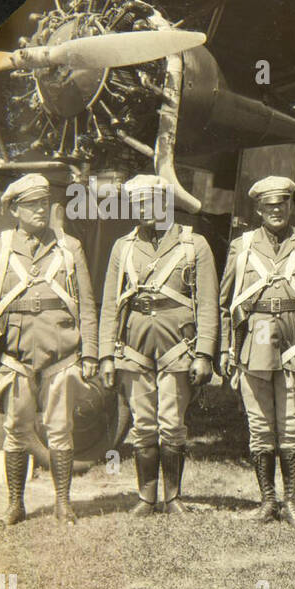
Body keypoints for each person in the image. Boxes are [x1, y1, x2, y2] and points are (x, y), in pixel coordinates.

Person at [0, 172, 97, 525]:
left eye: (44, 203)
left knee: (61, 429)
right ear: (15, 209)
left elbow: (86, 304)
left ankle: (62, 503)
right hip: (15, 357)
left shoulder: (69, 248)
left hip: (62, 356)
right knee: (16, 429)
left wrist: (91, 353)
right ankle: (15, 504)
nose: (40, 210)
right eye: (31, 204)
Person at [99, 174, 219, 515]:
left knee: (171, 423)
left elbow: (208, 303)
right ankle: (146, 498)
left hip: (178, 345)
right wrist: (106, 354)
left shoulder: (194, 245)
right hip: (134, 345)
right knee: (144, 424)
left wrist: (205, 353)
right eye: (136, 205)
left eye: (149, 202)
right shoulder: (122, 248)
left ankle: (173, 498)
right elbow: (111, 303)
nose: (143, 210)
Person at [219, 176, 295, 526]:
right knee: (259, 425)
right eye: (269, 207)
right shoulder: (243, 247)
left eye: (282, 205)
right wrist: (226, 348)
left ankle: (291, 500)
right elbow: (225, 303)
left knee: (291, 423)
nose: (276, 211)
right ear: (258, 210)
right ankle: (268, 500)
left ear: (290, 206)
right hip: (255, 341)